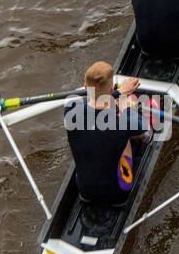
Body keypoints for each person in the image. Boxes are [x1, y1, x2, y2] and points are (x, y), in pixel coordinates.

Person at [63, 61, 154, 206]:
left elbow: (94, 103)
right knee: (138, 134)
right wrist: (125, 104)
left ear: (86, 87)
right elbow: (145, 130)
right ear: (111, 88)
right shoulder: (123, 124)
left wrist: (117, 94)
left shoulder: (70, 109)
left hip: (84, 190)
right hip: (117, 193)